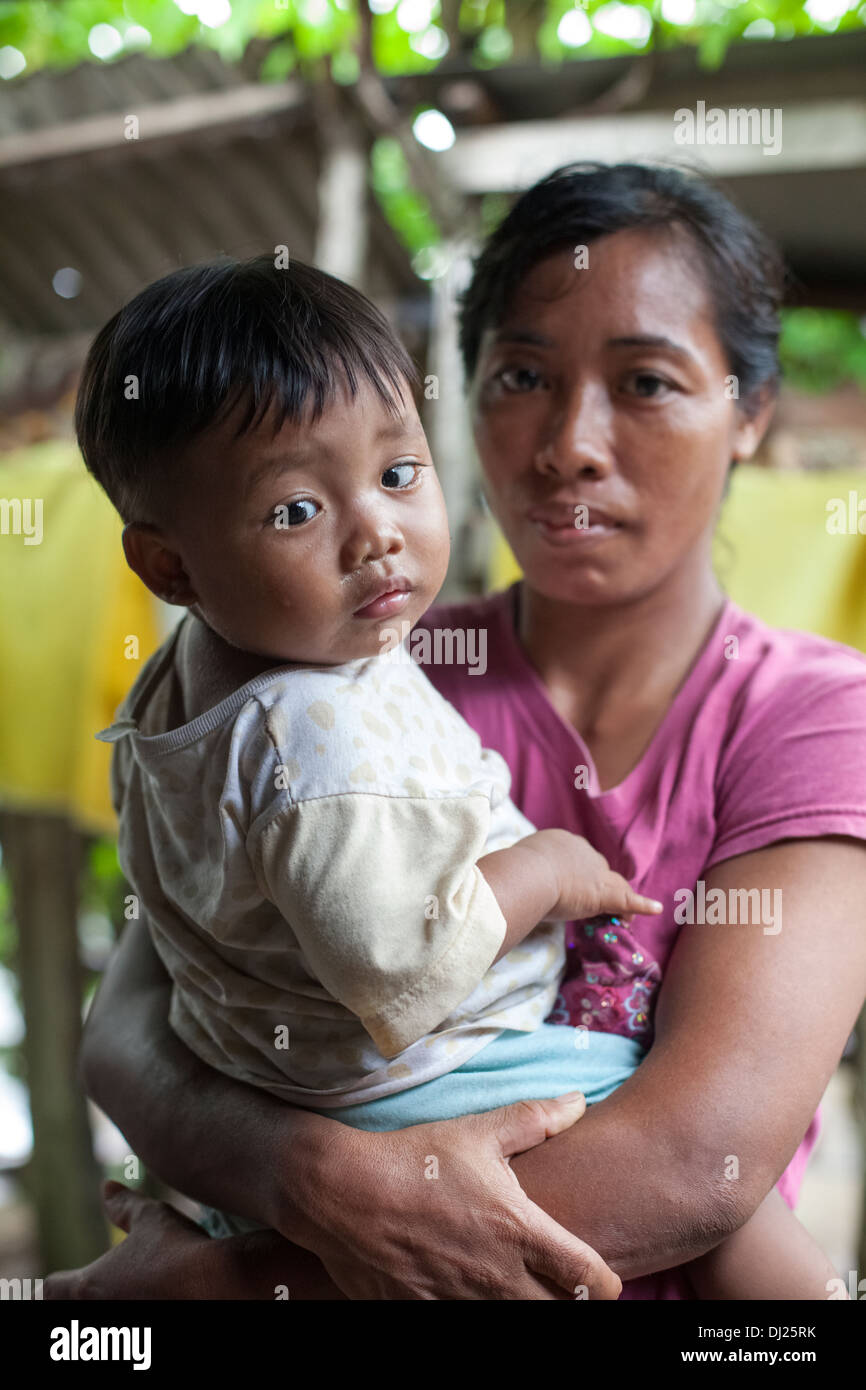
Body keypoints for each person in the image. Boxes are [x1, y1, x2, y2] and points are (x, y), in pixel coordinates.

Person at [48, 163, 866, 1301]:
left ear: (751, 413)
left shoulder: (810, 713)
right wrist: (310, 1174)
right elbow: (130, 1030)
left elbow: (690, 1167)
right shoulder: (343, 670)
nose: (570, 442)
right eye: (522, 374)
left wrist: (237, 1286)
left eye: (645, 381)